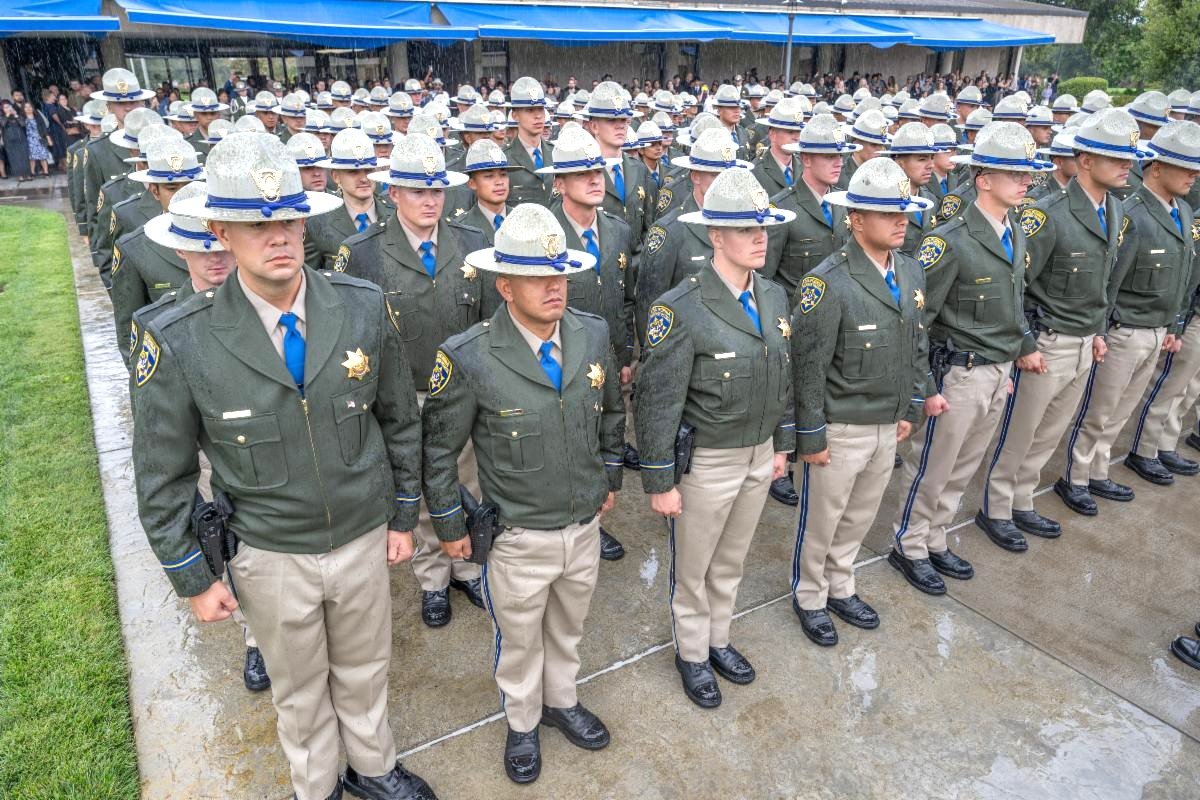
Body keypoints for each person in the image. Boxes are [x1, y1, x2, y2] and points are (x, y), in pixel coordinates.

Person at [133, 132, 436, 800]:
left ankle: (374, 767)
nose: (278, 236)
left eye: (289, 219)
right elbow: (164, 472)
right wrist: (192, 575)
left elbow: (397, 420)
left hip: (360, 535)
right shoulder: (182, 340)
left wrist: (403, 514)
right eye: (255, 223)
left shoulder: (358, 305)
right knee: (298, 692)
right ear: (220, 231)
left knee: (365, 671)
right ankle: (317, 784)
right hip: (270, 554)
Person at [421, 203, 623, 784]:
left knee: (568, 627)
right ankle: (522, 720)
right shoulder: (470, 356)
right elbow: (438, 452)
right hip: (518, 536)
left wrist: (609, 478)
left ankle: (561, 702)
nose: (554, 287)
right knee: (518, 639)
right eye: (538, 277)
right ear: (505, 285)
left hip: (582, 525)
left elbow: (610, 415)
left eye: (559, 274)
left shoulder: (592, 334)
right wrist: (451, 528)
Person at [635, 168, 794, 709]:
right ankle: (692, 653)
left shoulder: (772, 296)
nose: (759, 237)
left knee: (732, 560)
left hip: (757, 451)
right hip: (709, 460)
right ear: (715, 236)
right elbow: (657, 400)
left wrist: (781, 446)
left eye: (763, 228)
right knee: (695, 565)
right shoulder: (681, 307)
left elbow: (783, 375)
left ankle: (718, 638)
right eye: (745, 229)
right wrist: (661, 480)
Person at [337, 131, 491, 628]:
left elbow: (490, 320)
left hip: (464, 390)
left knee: (467, 478)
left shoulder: (472, 242)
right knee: (421, 486)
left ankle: (468, 566)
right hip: (406, 394)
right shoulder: (361, 253)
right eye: (417, 191)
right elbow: (352, 329)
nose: (429, 201)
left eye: (436, 191)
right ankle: (432, 578)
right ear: (392, 193)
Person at [891, 122, 1051, 595]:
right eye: (1013, 174)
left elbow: (1013, 302)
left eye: (1026, 175)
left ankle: (937, 535)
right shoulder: (950, 240)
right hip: (957, 371)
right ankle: (911, 544)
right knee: (934, 465)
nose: (1025, 182)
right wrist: (927, 386)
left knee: (963, 466)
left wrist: (1010, 359)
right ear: (983, 179)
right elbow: (918, 319)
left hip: (994, 369)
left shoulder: (1015, 231)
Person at [979, 109, 1141, 550]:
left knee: (1050, 431)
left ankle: (1022, 498)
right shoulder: (1047, 214)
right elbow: (1017, 287)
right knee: (1022, 430)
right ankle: (996, 507)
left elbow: (1105, 280)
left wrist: (1100, 331)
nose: (1127, 165)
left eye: (1129, 157)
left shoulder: (1117, 208)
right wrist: (1025, 343)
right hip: (1047, 341)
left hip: (1086, 339)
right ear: (1085, 160)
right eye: (1115, 157)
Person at [789, 157, 930, 645]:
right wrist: (811, 435)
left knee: (861, 513)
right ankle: (810, 594)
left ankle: (840, 582)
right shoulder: (828, 282)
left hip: (886, 423)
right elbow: (807, 368)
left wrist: (910, 408)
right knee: (822, 518)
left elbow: (916, 345)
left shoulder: (910, 272)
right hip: (841, 424)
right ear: (855, 219)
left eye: (904, 212)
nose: (900, 222)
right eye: (887, 213)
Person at [1058, 120, 1200, 509]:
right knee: (1099, 410)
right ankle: (1076, 476)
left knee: (1120, 410)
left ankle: (1098, 470)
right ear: (1157, 168)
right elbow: (1110, 280)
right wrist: (1103, 330)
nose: (1194, 175)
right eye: (1186, 168)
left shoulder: (1184, 212)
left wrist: (1173, 325)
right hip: (1124, 328)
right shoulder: (1132, 214)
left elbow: (1183, 276)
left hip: (1156, 328)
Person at [539, 125, 636, 560]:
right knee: (565, 446)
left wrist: (626, 354)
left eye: (597, 170)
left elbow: (625, 298)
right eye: (581, 174)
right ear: (559, 183)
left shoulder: (616, 229)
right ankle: (568, 519)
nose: (595, 179)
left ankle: (593, 518)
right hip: (559, 365)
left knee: (601, 440)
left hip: (607, 359)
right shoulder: (544, 235)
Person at [109, 136, 204, 364]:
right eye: (172, 188)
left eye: (189, 186)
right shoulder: (134, 247)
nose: (182, 196)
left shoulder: (231, 237)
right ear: (154, 191)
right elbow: (127, 327)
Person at [302, 128, 391, 270]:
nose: (363, 179)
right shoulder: (318, 223)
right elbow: (312, 278)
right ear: (336, 176)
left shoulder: (394, 213)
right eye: (353, 172)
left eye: (368, 170)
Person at [451, 138, 516, 246]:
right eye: (489, 176)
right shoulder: (460, 228)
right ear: (472, 183)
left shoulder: (523, 219)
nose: (499, 182)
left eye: (503, 175)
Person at [503, 77, 553, 206]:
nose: (538, 116)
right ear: (515, 115)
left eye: (541, 109)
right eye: (529, 110)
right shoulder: (504, 159)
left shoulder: (557, 153)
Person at [2, 102, 30, 181]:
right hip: (10, 142)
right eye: (5, 107)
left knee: (24, 157)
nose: (8, 109)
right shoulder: (2, 117)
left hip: (21, 139)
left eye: (9, 107)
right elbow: (3, 124)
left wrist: (16, 115)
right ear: (3, 110)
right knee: (15, 159)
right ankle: (20, 175)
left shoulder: (17, 115)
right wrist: (7, 115)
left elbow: (23, 124)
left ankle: (27, 174)